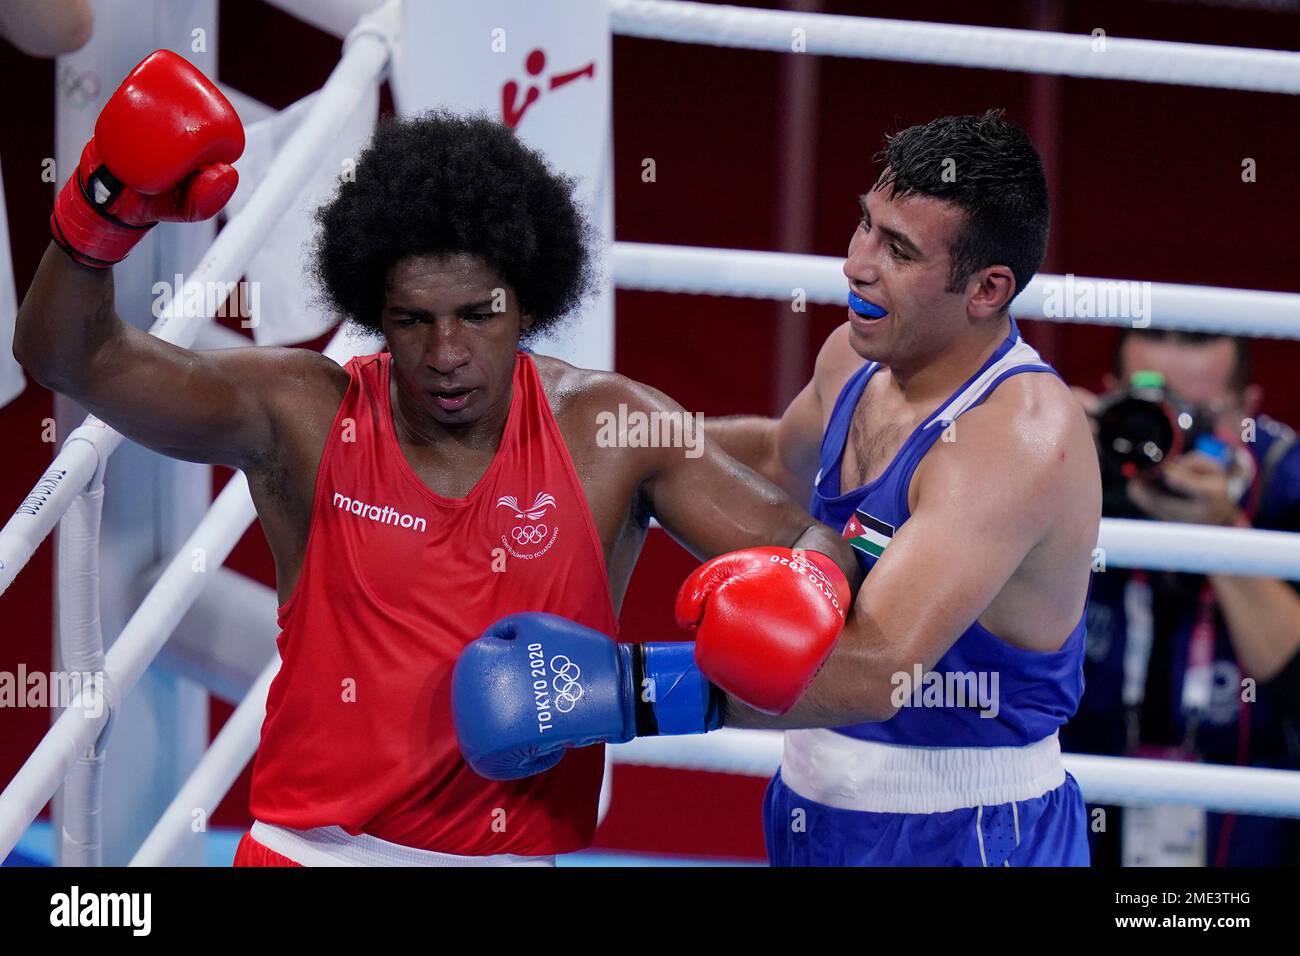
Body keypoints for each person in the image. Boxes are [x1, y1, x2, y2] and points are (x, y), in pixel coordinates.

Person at [14, 50, 857, 866]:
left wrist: (644, 686)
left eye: (477, 316)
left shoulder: (610, 428)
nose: (447, 351)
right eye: (413, 320)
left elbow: (813, 555)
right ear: (374, 311)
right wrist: (103, 209)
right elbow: (71, 358)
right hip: (310, 857)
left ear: (529, 300)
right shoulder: (303, 415)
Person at [453, 110, 1103, 867]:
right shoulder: (855, 361)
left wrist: (623, 687)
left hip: (974, 830)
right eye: (866, 226)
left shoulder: (1013, 439)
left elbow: (872, 673)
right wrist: (592, 442)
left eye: (898, 250)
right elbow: (773, 456)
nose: (857, 264)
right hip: (813, 803)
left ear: (988, 288)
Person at [1065, 328, 1300, 866]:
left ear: (1247, 410)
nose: (1169, 432)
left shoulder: (1286, 487)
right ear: (1111, 394)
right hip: (1083, 829)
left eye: (1197, 414)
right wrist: (1038, 456)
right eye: (1153, 407)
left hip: (1248, 851)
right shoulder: (1072, 471)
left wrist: (1223, 536)